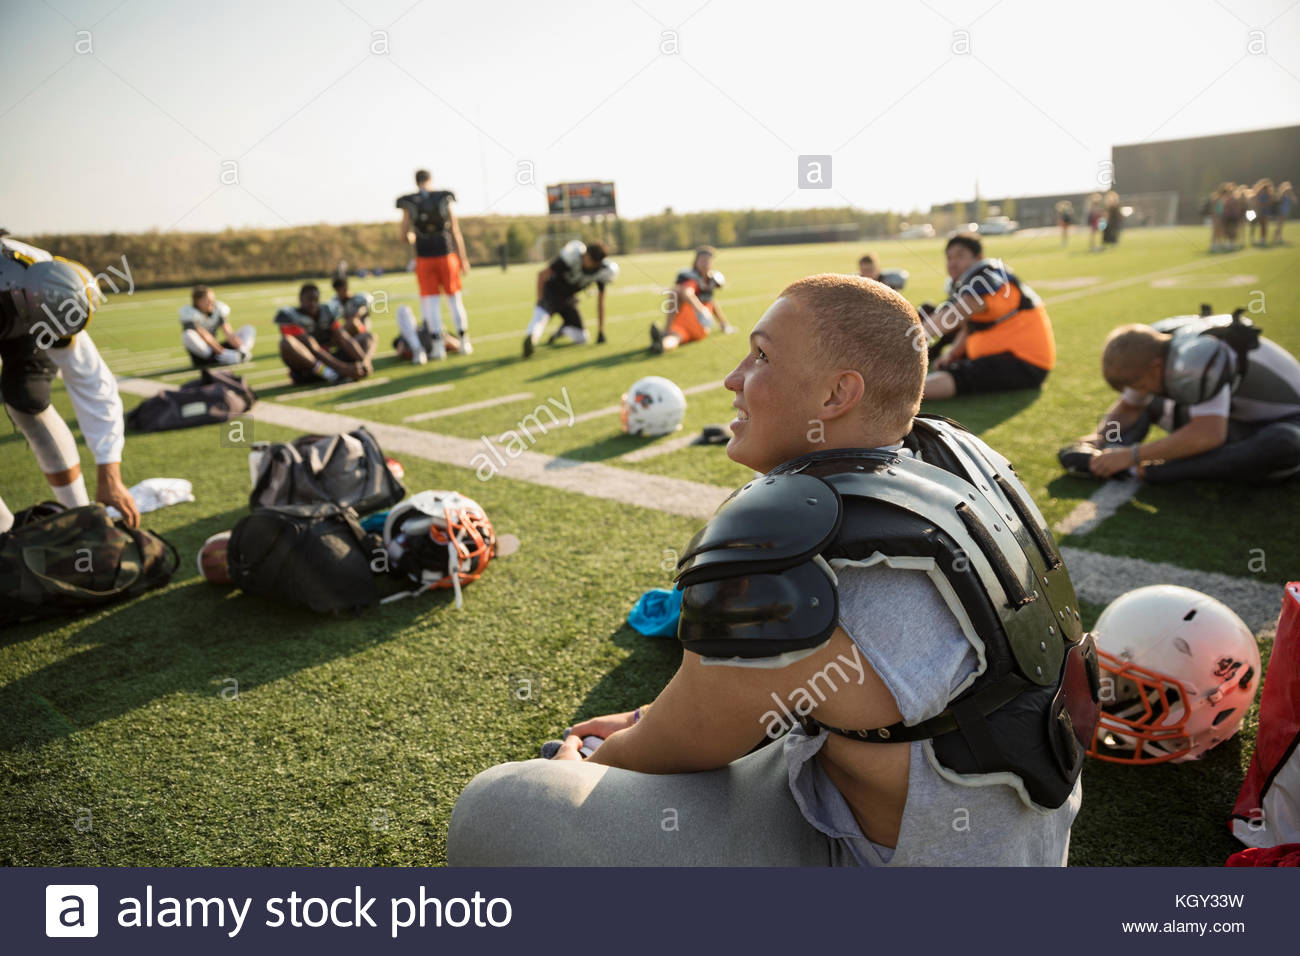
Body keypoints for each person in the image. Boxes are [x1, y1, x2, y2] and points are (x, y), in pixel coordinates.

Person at [448, 273, 1091, 867]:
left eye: (760, 356)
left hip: (900, 870)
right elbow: (765, 698)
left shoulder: (780, 533)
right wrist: (656, 716)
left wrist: (583, 765)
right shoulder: (954, 461)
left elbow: (685, 740)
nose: (733, 378)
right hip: (969, 831)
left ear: (838, 393)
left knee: (504, 807)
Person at [1060, 312, 1300, 484]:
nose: (1140, 391)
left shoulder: (1197, 360)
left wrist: (1132, 456)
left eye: (1140, 384)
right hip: (1237, 419)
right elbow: (1129, 406)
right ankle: (1106, 458)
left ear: (1155, 367)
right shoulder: (1155, 349)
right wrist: (1099, 437)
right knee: (1150, 403)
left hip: (1286, 421)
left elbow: (1209, 434)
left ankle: (1140, 471)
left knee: (1283, 442)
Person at [0, 234, 138, 532]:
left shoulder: (47, 280)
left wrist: (110, 474)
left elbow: (93, 382)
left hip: (16, 305)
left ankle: (83, 520)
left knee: (28, 399)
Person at [920, 233, 1055, 400]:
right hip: (1000, 352)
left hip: (1025, 363)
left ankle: (892, 394)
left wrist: (910, 341)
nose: (953, 263)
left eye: (960, 256)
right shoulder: (973, 282)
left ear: (979, 258)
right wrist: (953, 353)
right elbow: (971, 327)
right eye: (949, 258)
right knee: (927, 311)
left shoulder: (990, 279)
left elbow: (957, 312)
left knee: (961, 375)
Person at [396, 169, 471, 359]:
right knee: (455, 300)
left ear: (416, 181)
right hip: (446, 255)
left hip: (424, 258)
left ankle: (438, 347)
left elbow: (404, 235)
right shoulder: (443, 197)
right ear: (430, 180)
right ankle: (464, 341)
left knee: (431, 304)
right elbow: (455, 230)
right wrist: (463, 258)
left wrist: (414, 237)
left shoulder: (410, 201)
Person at [521, 239, 617, 357]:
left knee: (582, 338)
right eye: (586, 256)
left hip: (569, 300)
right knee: (540, 318)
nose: (585, 259)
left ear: (597, 263)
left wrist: (601, 331)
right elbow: (542, 275)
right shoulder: (572, 258)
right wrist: (540, 300)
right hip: (551, 293)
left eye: (589, 259)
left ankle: (563, 329)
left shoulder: (603, 272)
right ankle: (531, 340)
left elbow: (600, 302)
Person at [274, 282, 369, 385]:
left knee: (368, 337)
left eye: (316, 299)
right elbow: (313, 348)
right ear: (301, 300)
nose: (313, 304)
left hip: (331, 357)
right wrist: (343, 368)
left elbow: (344, 338)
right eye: (309, 300)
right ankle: (330, 374)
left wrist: (364, 361)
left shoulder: (326, 311)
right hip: (310, 366)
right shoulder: (290, 316)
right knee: (286, 342)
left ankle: (363, 365)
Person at [649, 246, 734, 354]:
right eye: (702, 260)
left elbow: (708, 301)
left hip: (699, 322)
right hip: (692, 324)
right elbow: (689, 293)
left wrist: (723, 323)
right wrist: (701, 308)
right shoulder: (692, 277)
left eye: (708, 260)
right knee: (675, 338)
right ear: (696, 261)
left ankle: (665, 331)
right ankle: (661, 344)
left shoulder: (711, 277)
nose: (705, 263)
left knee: (675, 292)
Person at [179, 285, 255, 367]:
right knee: (187, 334)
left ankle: (238, 354)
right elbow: (204, 335)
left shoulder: (218, 308)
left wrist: (241, 349)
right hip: (204, 354)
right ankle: (220, 358)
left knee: (249, 328)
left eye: (212, 299)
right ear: (198, 301)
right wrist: (224, 353)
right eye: (208, 300)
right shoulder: (189, 313)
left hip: (216, 347)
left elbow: (228, 332)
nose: (212, 302)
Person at [328, 276, 377, 365]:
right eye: (336, 291)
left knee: (355, 323)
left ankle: (366, 362)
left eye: (339, 290)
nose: (338, 293)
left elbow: (364, 310)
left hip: (361, 331)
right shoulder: (336, 302)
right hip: (347, 335)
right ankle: (327, 347)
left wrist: (356, 315)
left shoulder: (360, 298)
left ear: (346, 288)